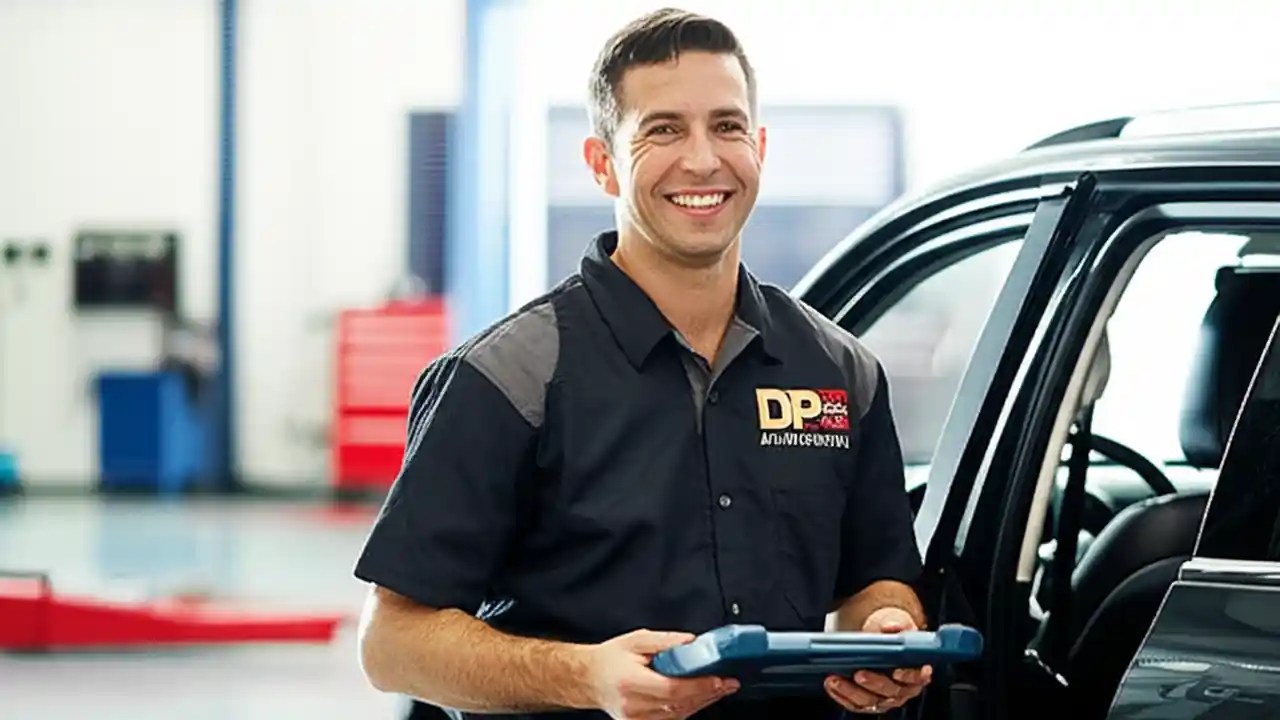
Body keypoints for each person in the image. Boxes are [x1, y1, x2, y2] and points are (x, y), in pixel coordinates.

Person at [355, 8, 931, 719]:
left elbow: (876, 580)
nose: (702, 159)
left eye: (726, 126)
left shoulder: (840, 372)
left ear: (758, 145)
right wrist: (584, 676)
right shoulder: (508, 377)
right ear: (602, 163)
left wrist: (884, 631)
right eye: (663, 130)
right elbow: (392, 642)